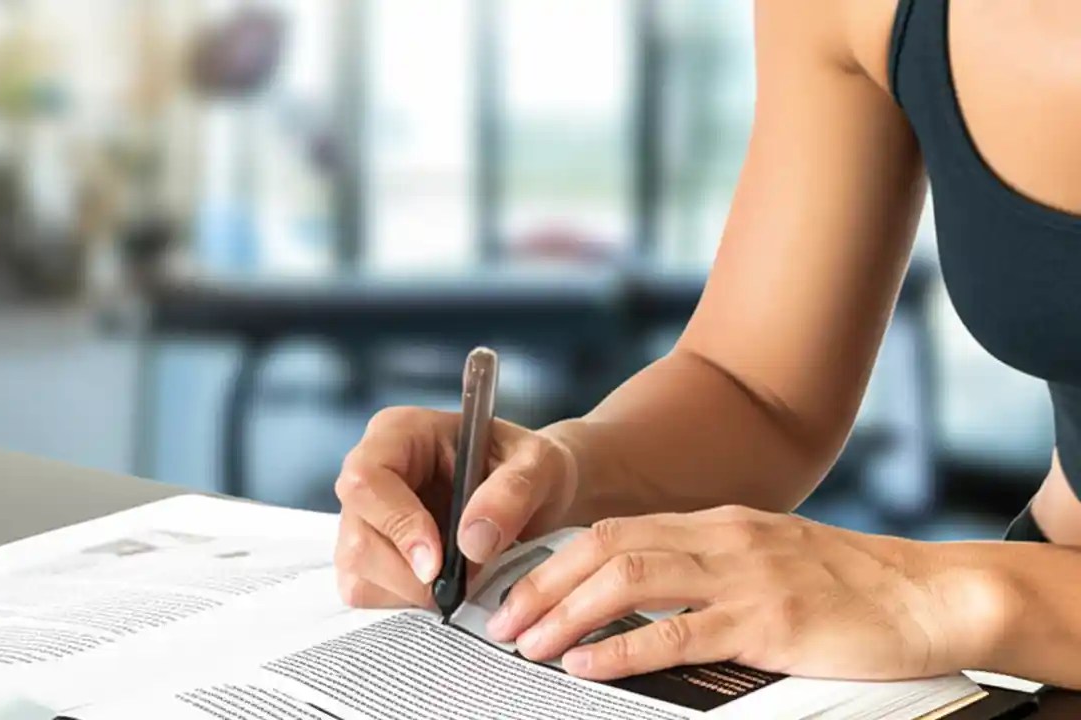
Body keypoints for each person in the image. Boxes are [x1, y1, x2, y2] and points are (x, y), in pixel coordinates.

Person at [333, 0, 1081, 689]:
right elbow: (757, 391)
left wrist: (941, 596)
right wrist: (562, 472)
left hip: (1008, 620)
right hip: (1020, 662)